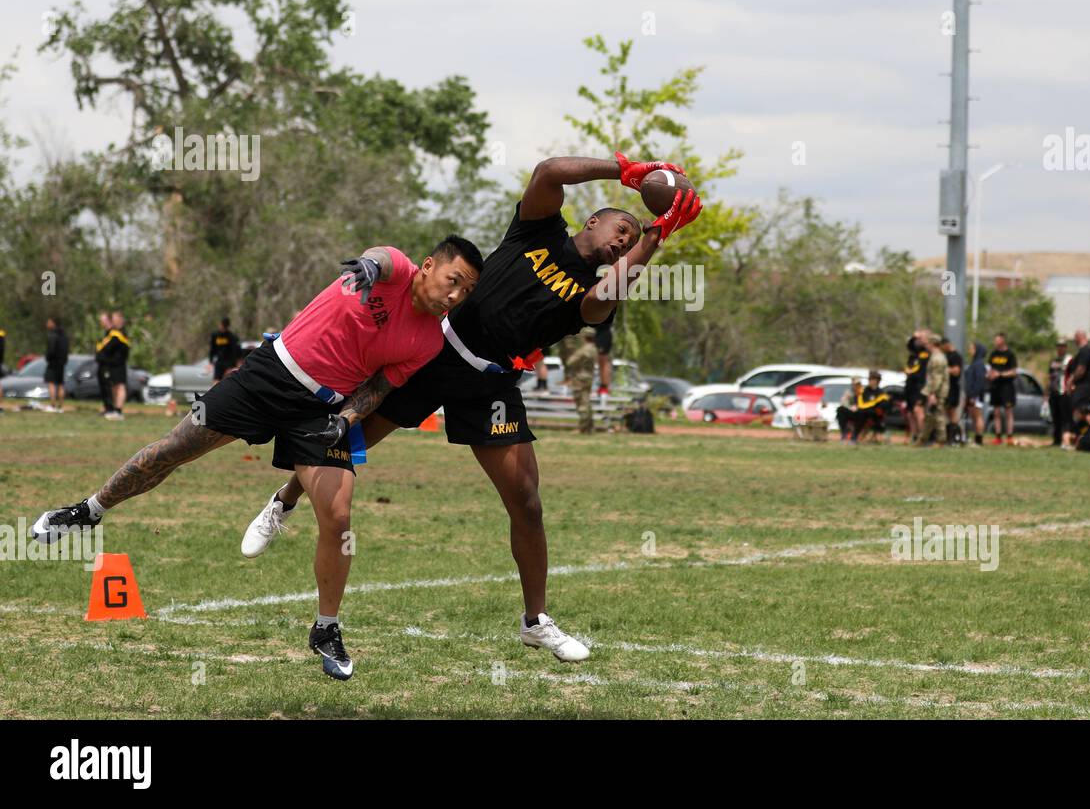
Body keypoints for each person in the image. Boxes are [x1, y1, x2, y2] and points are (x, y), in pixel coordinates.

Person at [249, 152, 701, 663]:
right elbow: (549, 172)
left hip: (490, 385)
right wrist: (626, 169)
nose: (624, 238)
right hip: (431, 353)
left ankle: (536, 622)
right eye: (621, 226)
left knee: (527, 501)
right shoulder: (540, 230)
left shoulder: (593, 288)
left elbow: (601, 306)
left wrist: (656, 235)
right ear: (592, 220)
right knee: (343, 443)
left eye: (630, 237)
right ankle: (284, 501)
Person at [31, 237, 482, 681]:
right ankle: (86, 512)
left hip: (320, 409)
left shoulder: (428, 342)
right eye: (453, 280)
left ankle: (325, 628)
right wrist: (367, 267)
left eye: (466, 291)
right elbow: (380, 259)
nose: (456, 295)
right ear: (427, 266)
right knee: (172, 450)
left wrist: (345, 420)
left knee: (339, 517)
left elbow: (379, 387)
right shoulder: (397, 269)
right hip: (269, 374)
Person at [557, 326, 599, 433]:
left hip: (580, 378)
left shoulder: (584, 350)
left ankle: (583, 427)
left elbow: (570, 362)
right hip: (588, 377)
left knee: (582, 402)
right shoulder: (594, 348)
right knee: (587, 401)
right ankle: (590, 426)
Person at [1065, 328, 1090, 446]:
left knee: (1080, 412)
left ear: (1080, 337)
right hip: (1081, 387)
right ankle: (1082, 435)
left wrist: (1071, 380)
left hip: (1084, 387)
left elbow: (1081, 369)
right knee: (1080, 411)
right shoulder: (1082, 351)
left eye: (1075, 337)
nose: (1074, 339)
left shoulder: (1086, 351)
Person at [986, 333, 1017, 445]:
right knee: (996, 412)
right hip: (995, 387)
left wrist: (1000, 374)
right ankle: (998, 436)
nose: (995, 342)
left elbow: (1013, 372)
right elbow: (989, 368)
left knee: (1008, 411)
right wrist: (989, 375)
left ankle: (1009, 436)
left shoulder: (1010, 354)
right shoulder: (993, 354)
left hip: (1007, 387)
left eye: (997, 340)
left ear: (1003, 340)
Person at [918, 334, 949, 446]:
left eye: (927, 343)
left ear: (932, 344)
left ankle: (941, 440)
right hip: (934, 390)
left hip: (938, 392)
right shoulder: (936, 356)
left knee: (938, 415)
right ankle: (922, 439)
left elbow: (937, 378)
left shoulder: (937, 358)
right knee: (930, 416)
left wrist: (933, 394)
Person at [903, 330, 932, 442]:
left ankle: (923, 437)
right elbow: (910, 345)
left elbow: (931, 346)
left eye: (922, 338)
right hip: (910, 386)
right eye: (918, 339)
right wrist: (913, 336)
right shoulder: (915, 353)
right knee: (910, 412)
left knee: (918, 410)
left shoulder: (928, 351)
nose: (919, 340)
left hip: (921, 385)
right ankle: (915, 436)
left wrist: (925, 338)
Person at [1045, 340, 1070, 447]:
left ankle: (1065, 440)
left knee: (1064, 417)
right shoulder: (1054, 361)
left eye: (1062, 346)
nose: (1060, 348)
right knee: (1055, 417)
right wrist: (1046, 391)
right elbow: (1049, 376)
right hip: (1053, 391)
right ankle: (1056, 440)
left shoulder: (1068, 360)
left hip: (1063, 391)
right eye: (1058, 346)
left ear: (1065, 347)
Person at [963, 341, 988, 446]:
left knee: (978, 416)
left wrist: (974, 395)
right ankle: (975, 437)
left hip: (976, 395)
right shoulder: (974, 363)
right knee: (973, 416)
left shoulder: (979, 364)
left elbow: (979, 381)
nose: (970, 350)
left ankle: (979, 439)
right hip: (971, 394)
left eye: (972, 348)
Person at [941, 338, 963, 445]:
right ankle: (948, 436)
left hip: (953, 387)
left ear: (947, 345)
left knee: (952, 412)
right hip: (947, 387)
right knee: (947, 412)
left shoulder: (955, 356)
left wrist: (944, 370)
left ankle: (954, 437)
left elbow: (956, 371)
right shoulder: (947, 355)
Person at [44, 317, 69, 412]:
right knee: (61, 383)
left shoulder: (52, 335)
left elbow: (51, 350)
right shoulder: (64, 335)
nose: (47, 324)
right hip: (62, 363)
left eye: (49, 322)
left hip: (53, 362)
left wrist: (48, 358)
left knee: (51, 383)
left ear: (53, 323)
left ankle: (52, 405)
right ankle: (61, 406)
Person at [856, 372, 890, 443]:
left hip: (876, 415)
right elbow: (861, 402)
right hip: (863, 413)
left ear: (877, 381)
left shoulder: (881, 393)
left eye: (872, 379)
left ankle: (871, 436)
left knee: (869, 415)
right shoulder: (865, 391)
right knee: (860, 414)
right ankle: (858, 436)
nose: (870, 381)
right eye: (870, 379)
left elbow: (884, 406)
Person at [209, 317, 241, 382]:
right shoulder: (215, 335)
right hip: (219, 361)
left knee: (227, 380)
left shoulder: (231, 336)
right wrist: (211, 361)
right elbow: (212, 349)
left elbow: (234, 351)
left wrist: (232, 365)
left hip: (228, 362)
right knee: (216, 381)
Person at [836, 377, 863, 442]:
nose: (856, 385)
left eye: (858, 384)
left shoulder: (863, 391)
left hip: (860, 412)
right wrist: (850, 407)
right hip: (851, 411)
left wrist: (858, 407)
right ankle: (844, 433)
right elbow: (843, 402)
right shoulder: (848, 392)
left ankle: (854, 436)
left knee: (861, 413)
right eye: (854, 384)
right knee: (840, 410)